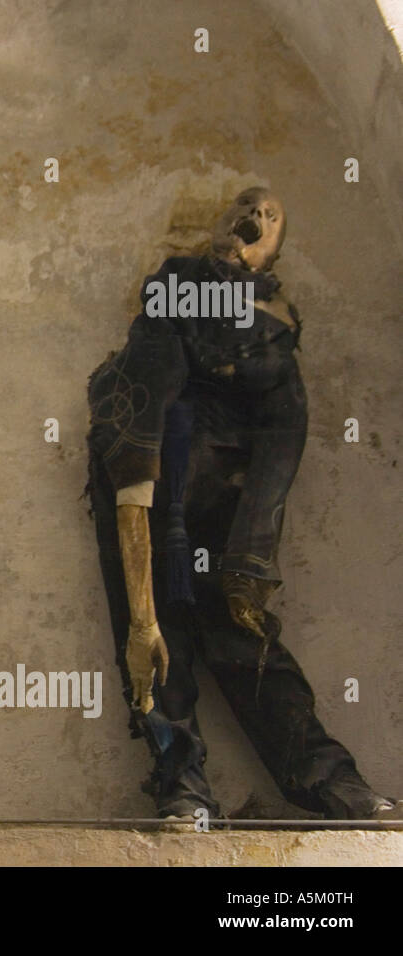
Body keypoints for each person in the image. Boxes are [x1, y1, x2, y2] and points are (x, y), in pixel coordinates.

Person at [86, 187, 397, 820]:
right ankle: (182, 785)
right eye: (245, 208)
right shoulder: (169, 302)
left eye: (271, 217)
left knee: (242, 637)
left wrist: (251, 557)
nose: (252, 221)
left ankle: (328, 779)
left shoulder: (273, 332)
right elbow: (134, 455)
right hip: (147, 499)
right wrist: (141, 616)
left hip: (216, 513)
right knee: (153, 646)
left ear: (276, 246)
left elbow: (283, 440)